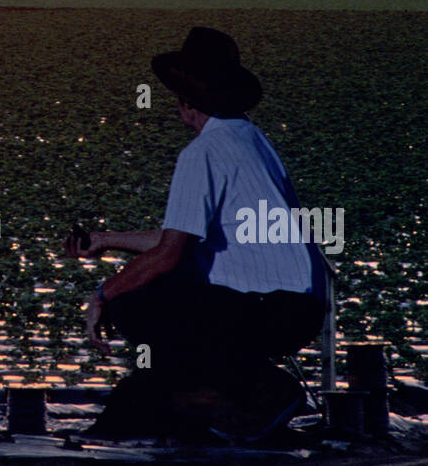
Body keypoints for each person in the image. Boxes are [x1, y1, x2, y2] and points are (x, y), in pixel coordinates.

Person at [65, 26, 327, 442]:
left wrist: (103, 295)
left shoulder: (202, 153)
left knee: (136, 300)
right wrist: (106, 239)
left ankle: (252, 389)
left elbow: (169, 255)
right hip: (301, 304)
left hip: (268, 307)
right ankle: (215, 395)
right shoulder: (251, 139)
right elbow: (186, 237)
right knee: (165, 296)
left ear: (186, 103)